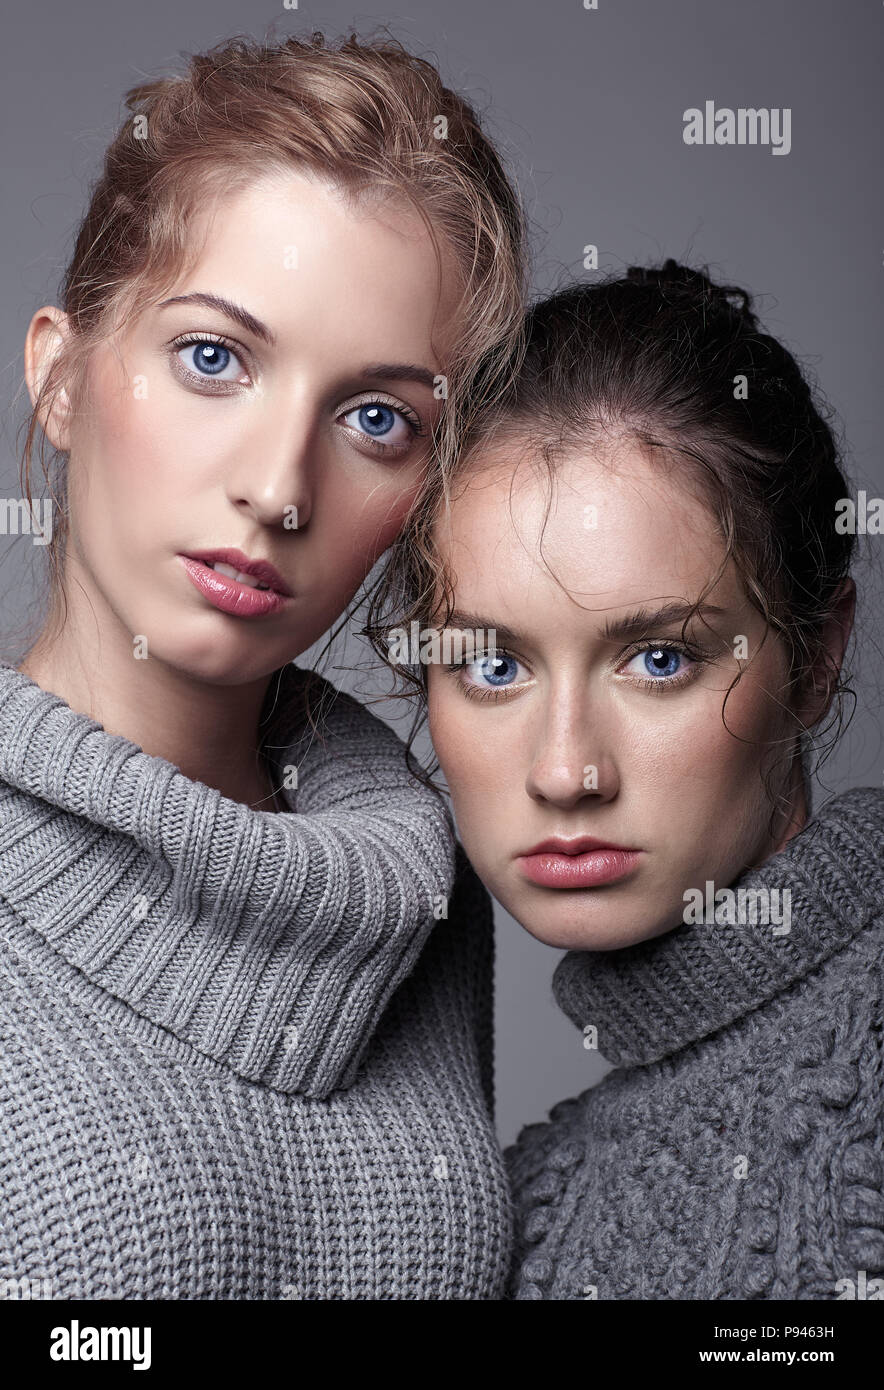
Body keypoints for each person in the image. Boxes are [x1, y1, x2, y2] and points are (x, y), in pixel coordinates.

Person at [0, 31, 528, 1300]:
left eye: (375, 419)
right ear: (61, 375)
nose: (278, 488)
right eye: (214, 358)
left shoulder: (412, 894)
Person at [371, 260, 884, 1299]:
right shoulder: (507, 1206)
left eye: (659, 659)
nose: (565, 770)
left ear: (816, 657)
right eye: (493, 665)